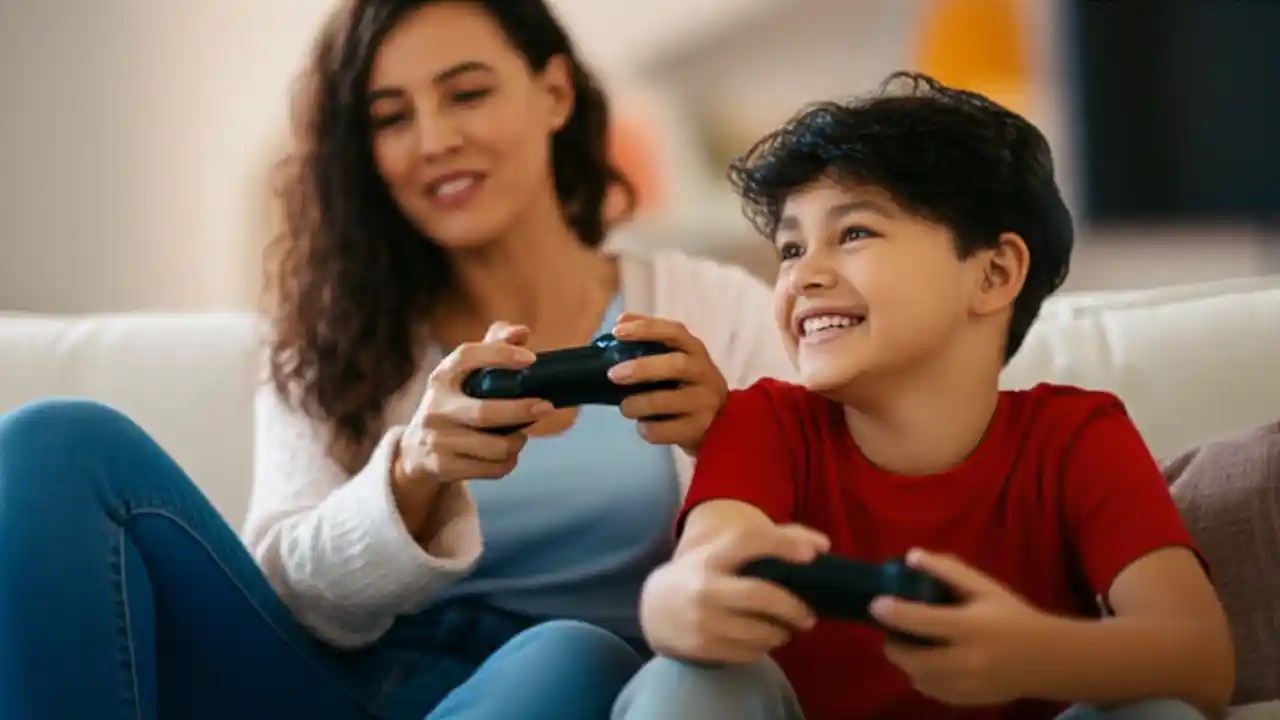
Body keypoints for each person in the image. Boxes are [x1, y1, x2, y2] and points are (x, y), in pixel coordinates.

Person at [0, 1, 791, 718]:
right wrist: (412, 472)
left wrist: (715, 434)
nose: (434, 141)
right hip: (343, 685)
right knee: (55, 443)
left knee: (568, 652)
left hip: (568, 687)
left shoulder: (716, 308)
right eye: (390, 117)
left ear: (554, 92)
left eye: (467, 92)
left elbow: (817, 511)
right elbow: (289, 594)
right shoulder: (330, 337)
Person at [612, 73, 1236, 720]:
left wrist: (1032, 652)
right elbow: (703, 563)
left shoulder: (1079, 436)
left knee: (1158, 711)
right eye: (791, 248)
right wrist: (679, 603)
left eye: (854, 233)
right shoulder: (767, 421)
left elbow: (1202, 660)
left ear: (994, 274)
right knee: (694, 682)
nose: (804, 274)